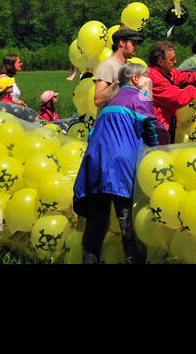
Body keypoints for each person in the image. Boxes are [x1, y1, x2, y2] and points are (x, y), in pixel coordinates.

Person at [73, 62, 157, 263]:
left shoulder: (110, 101)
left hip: (96, 163)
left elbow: (93, 133)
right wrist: (158, 152)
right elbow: (152, 131)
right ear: (135, 79)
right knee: (128, 223)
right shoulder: (139, 97)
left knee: (96, 223)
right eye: (146, 77)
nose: (149, 81)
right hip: (120, 166)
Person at [147, 41, 196, 144]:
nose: (175, 62)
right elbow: (177, 99)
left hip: (166, 125)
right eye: (172, 60)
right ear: (160, 61)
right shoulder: (154, 77)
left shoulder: (165, 71)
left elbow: (181, 75)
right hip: (157, 130)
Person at [93, 28, 143, 109]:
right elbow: (98, 100)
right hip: (110, 120)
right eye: (133, 44)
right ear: (122, 43)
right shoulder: (107, 65)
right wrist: (119, 81)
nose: (136, 48)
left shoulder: (130, 67)